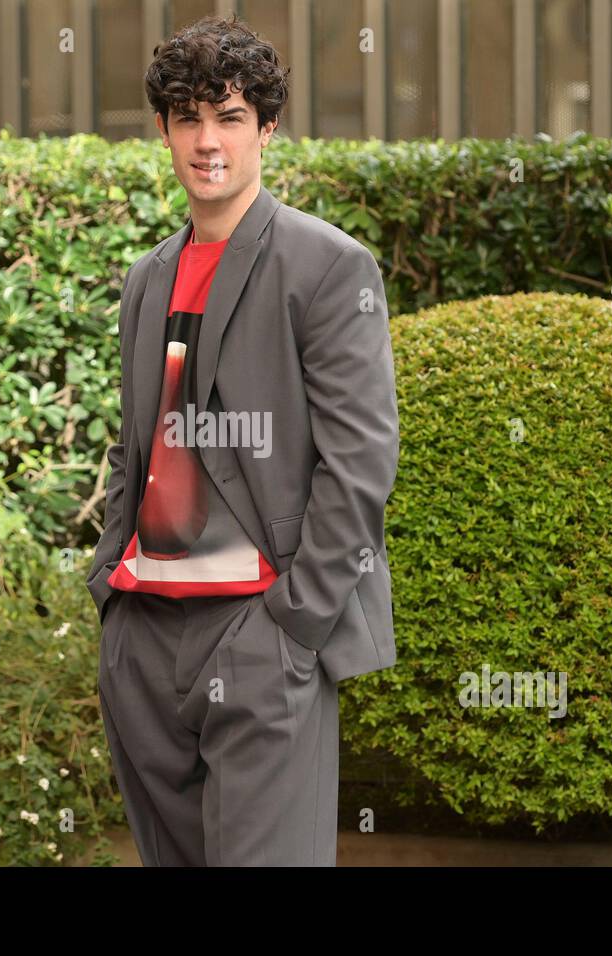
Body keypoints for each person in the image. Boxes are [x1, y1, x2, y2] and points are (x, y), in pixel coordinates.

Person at [86, 13, 399, 867]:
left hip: (261, 632)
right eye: (187, 118)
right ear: (163, 130)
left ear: (265, 127)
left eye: (228, 117)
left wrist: (295, 620)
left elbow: (361, 460)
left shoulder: (327, 267)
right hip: (147, 634)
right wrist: (111, 590)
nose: (206, 140)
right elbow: (135, 443)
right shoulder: (148, 278)